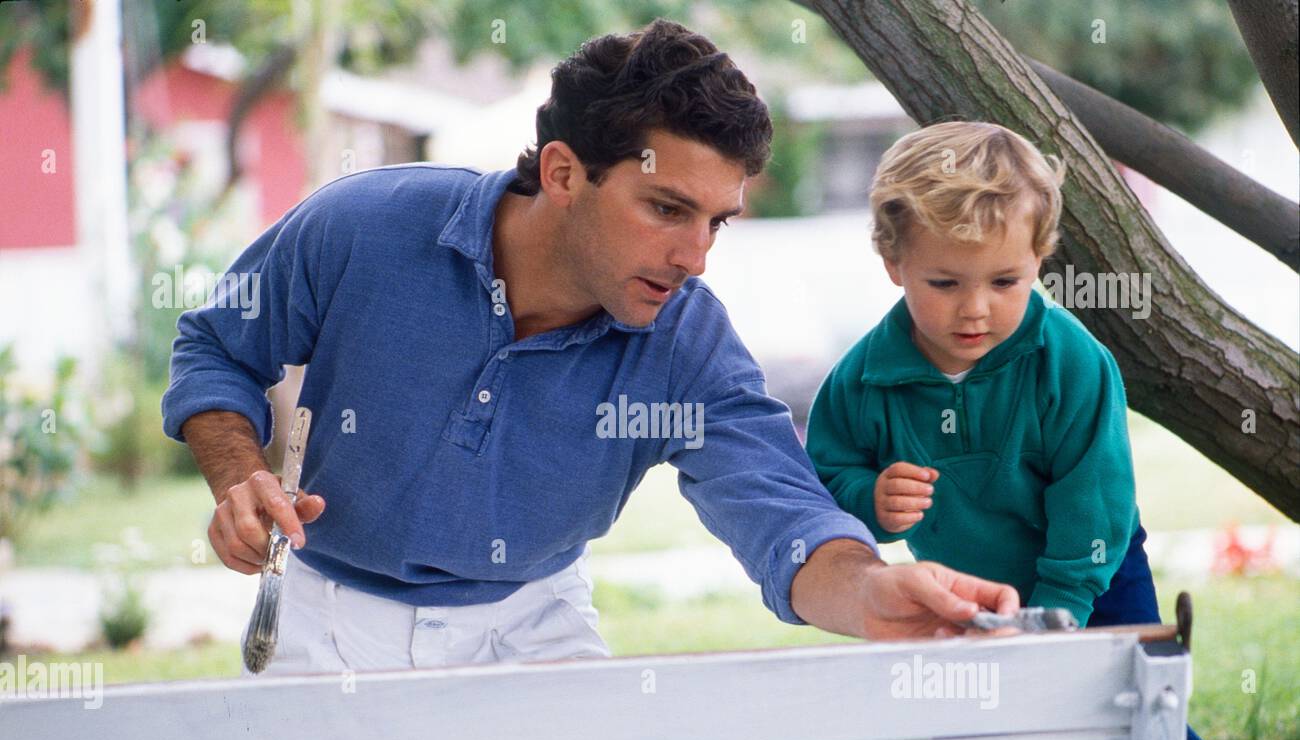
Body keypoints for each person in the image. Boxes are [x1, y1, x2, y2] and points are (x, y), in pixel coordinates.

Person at [161, 21, 1021, 677]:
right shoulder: (364, 226)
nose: (696, 257)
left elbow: (788, 518)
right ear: (567, 174)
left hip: (536, 628)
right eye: (667, 209)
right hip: (322, 618)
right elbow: (215, 347)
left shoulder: (687, 340)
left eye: (716, 221)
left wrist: (874, 593)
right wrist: (242, 479)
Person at [804, 120, 1250, 740]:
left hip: (1093, 573)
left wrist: (1060, 614)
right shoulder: (865, 379)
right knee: (991, 734)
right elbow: (828, 471)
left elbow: (1093, 500)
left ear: (1040, 258)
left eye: (1005, 281)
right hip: (962, 587)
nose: (975, 308)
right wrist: (870, 497)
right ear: (894, 262)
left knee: (1135, 715)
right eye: (945, 282)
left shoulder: (1070, 362)